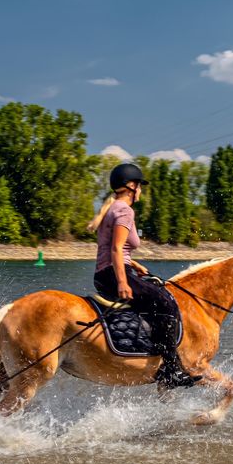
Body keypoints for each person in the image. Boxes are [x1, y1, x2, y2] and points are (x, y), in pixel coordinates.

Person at [93, 163, 202, 388]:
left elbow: (114, 247)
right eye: (140, 185)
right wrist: (123, 281)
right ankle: (171, 369)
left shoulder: (112, 208)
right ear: (131, 186)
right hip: (114, 273)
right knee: (167, 302)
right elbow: (115, 248)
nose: (141, 190)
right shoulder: (124, 210)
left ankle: (150, 351)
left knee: (155, 296)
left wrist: (133, 263)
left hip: (107, 271)